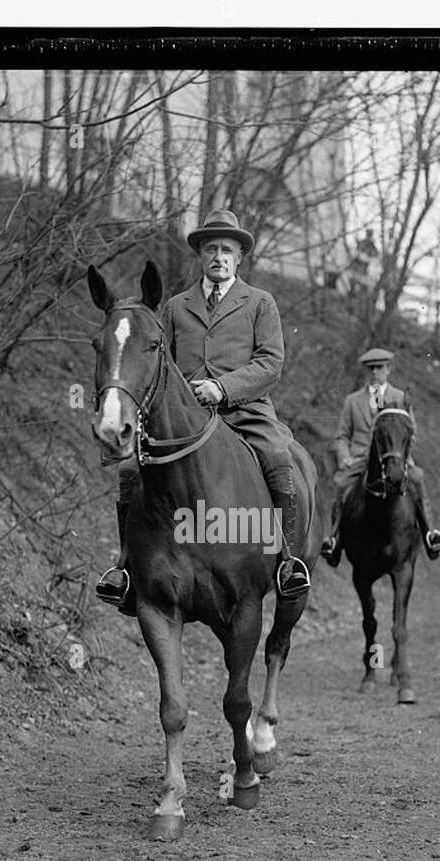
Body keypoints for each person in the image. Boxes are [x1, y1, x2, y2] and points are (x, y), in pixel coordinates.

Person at [96, 208, 312, 614]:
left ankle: (285, 560)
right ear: (200, 255)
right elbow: (160, 360)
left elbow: (270, 363)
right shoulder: (176, 307)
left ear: (238, 258)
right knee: (129, 469)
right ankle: (124, 568)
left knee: (279, 458)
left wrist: (222, 388)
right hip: (185, 415)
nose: (218, 256)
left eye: (226, 250)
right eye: (211, 248)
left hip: (245, 411)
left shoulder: (260, 303)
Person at [319, 347, 440, 567]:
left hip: (393, 458)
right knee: (341, 484)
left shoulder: (400, 398)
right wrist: (345, 457)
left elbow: (410, 433)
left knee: (417, 479)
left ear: (388, 370)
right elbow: (342, 435)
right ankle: (334, 539)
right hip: (361, 459)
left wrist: (401, 454)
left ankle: (430, 534)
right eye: (371, 368)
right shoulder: (353, 401)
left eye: (380, 368)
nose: (375, 373)